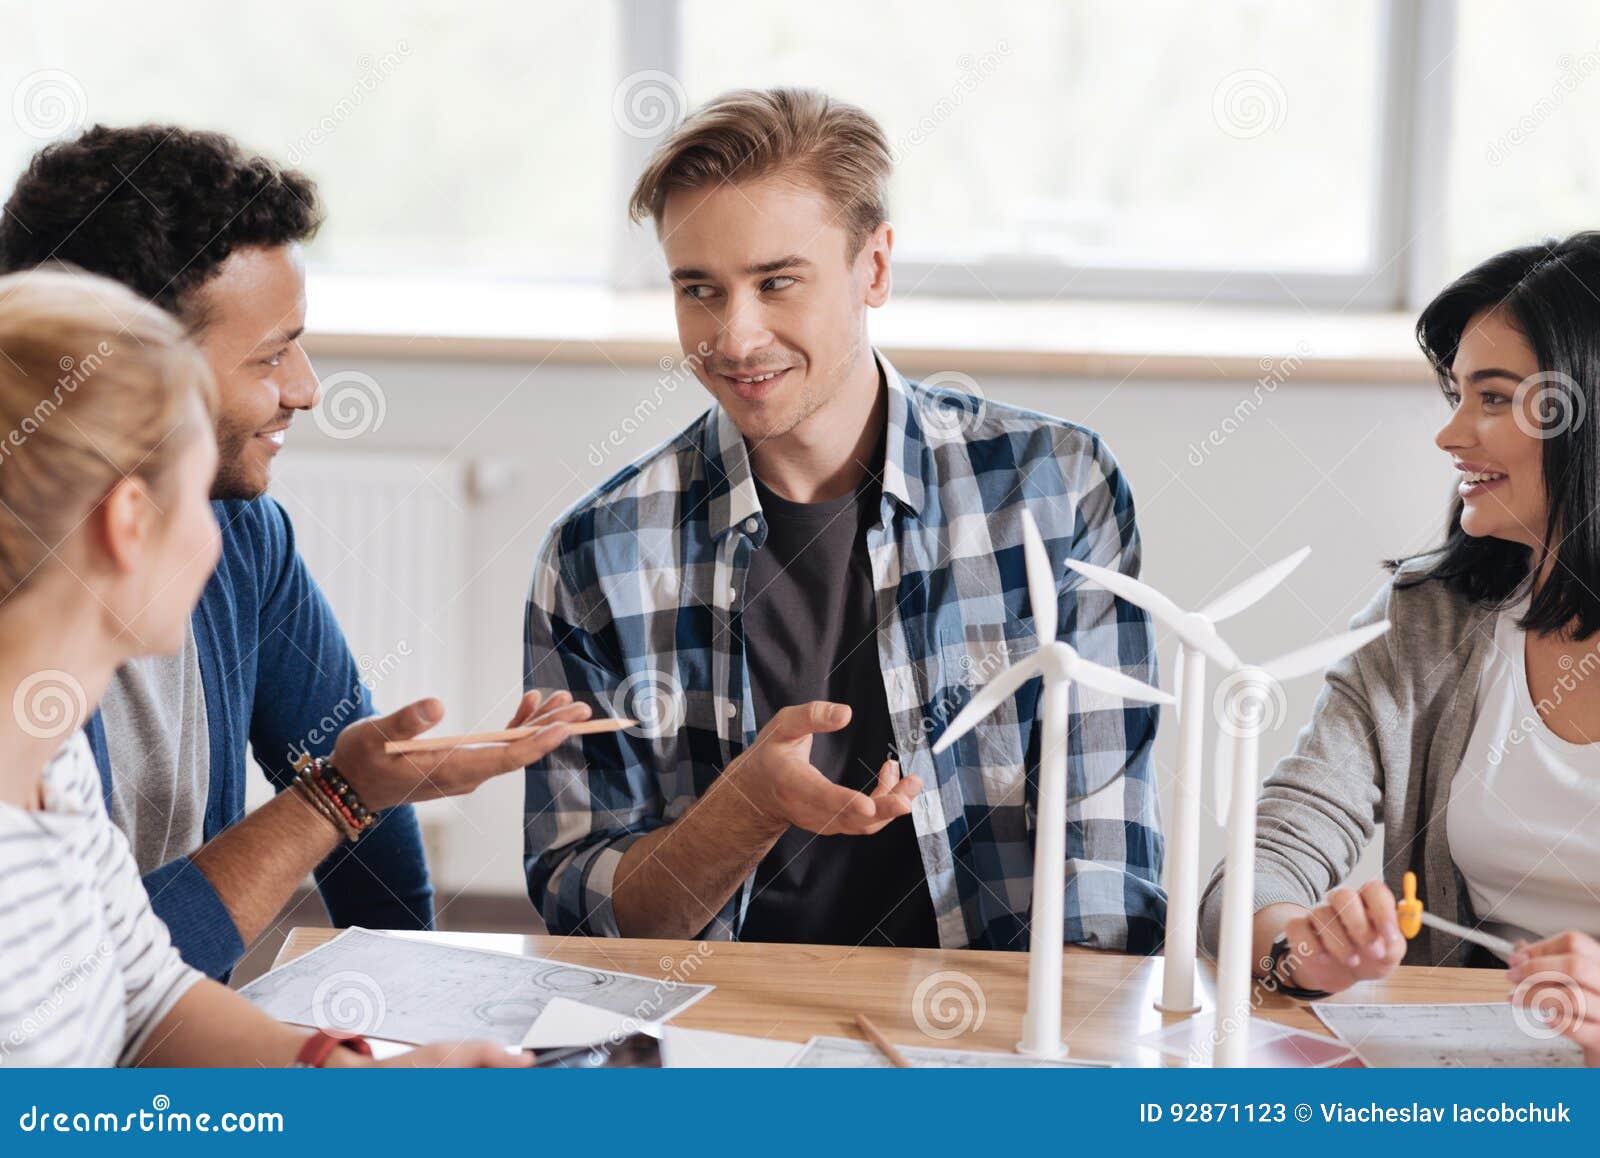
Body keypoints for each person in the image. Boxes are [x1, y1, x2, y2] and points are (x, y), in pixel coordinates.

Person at [523, 88, 1164, 952]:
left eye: (776, 282)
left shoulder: (1054, 490)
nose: (736, 337)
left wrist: (1044, 1064)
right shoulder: (598, 552)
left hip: (992, 1036)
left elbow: (1106, 871)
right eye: (699, 290)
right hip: (719, 1032)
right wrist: (744, 810)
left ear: (875, 267)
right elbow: (585, 909)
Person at [0, 126, 588, 978]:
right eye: (270, 355)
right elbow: (97, 986)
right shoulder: (33, 681)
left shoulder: (239, 530)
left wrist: (400, 1006)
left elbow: (141, 981)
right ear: (120, 367)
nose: (307, 388)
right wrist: (340, 795)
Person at [0, 268, 530, 1067]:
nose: (223, 539)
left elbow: (146, 1000)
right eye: (195, 500)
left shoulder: (53, 757)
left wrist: (363, 1084)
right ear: (130, 524)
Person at [1197, 232, 1600, 1065]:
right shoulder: (1430, 622)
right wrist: (1298, 949)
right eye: (1456, 395)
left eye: (1492, 399)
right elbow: (1261, 866)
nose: (1450, 435)